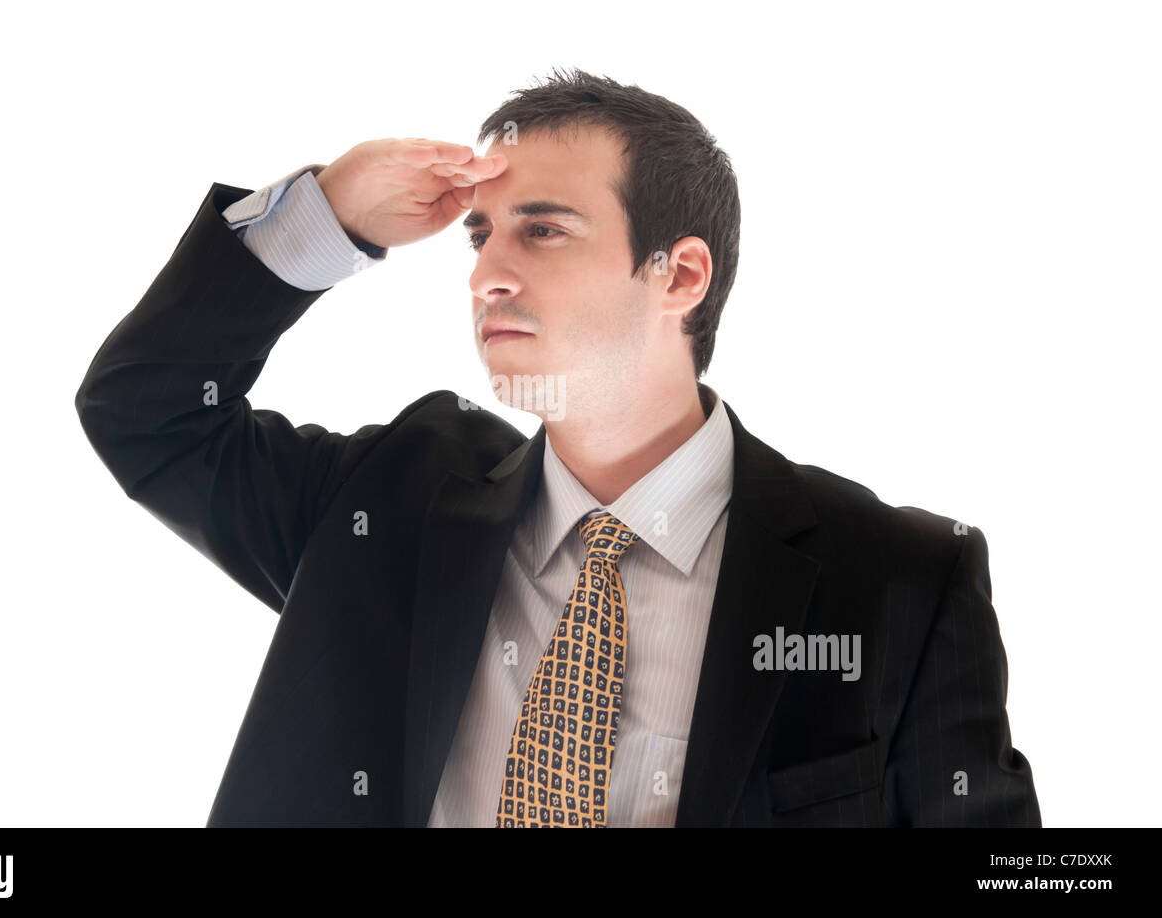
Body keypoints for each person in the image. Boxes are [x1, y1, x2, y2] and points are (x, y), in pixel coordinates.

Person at [75, 69, 1040, 827]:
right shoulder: (384, 510)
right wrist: (324, 215)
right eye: (481, 235)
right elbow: (147, 412)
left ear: (680, 273)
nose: (489, 272)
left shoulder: (899, 579)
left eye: (542, 230)